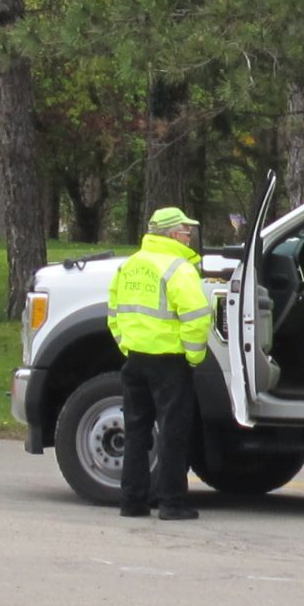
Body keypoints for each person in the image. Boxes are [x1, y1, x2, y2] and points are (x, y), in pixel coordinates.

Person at [107, 206, 213, 521]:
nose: (189, 236)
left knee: (136, 430)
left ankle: (132, 502)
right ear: (171, 234)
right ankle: (172, 503)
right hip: (170, 361)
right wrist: (193, 356)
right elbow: (197, 316)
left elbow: (114, 311)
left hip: (136, 358)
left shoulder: (131, 265)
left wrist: (126, 344)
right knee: (173, 432)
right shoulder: (178, 269)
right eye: (185, 231)